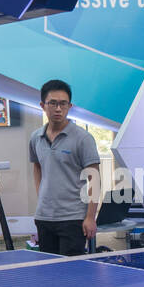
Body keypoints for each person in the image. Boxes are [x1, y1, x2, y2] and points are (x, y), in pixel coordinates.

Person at [29, 80, 100, 256]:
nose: (58, 108)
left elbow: (95, 179)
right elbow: (37, 167)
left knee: (72, 276)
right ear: (42, 106)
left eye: (63, 104)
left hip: (73, 218)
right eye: (52, 103)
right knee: (49, 275)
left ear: (70, 106)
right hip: (44, 218)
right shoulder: (35, 137)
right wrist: (42, 195)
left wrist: (90, 217)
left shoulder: (83, 138)